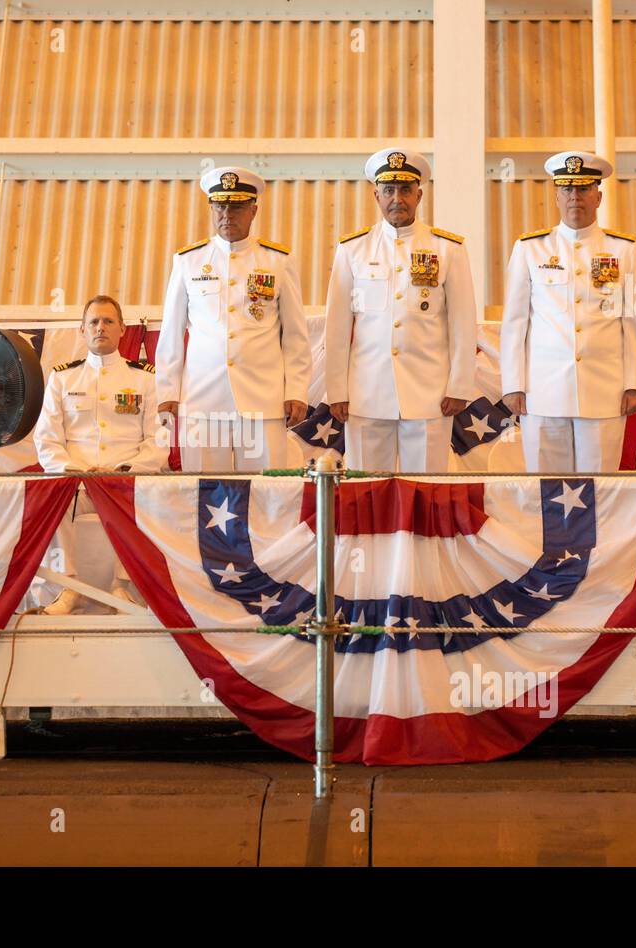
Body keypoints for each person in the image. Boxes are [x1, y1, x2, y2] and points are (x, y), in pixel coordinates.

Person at [324, 147, 477, 471]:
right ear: (376, 195)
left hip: (430, 395)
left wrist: (459, 386)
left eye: (406, 190)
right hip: (366, 393)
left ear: (419, 195)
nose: (398, 198)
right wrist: (337, 390)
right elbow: (337, 327)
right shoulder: (353, 249)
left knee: (424, 489)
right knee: (367, 488)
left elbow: (463, 325)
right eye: (389, 190)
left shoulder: (448, 249)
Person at [499, 150, 636, 473]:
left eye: (583, 189)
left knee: (599, 488)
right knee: (547, 488)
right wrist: (512, 383)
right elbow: (514, 323)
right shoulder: (530, 248)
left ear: (598, 196)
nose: (574, 197)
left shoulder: (625, 250)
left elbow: (635, 321)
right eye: (567, 189)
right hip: (542, 392)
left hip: (604, 392)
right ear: (556, 196)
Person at [156, 166, 310, 471]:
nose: (227, 214)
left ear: (253, 210)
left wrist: (296, 390)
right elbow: (171, 331)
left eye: (237, 207)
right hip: (202, 400)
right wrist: (167, 391)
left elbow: (295, 335)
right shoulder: (188, 261)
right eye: (220, 206)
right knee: (205, 489)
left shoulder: (278, 261)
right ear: (212, 209)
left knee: (266, 490)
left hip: (262, 400)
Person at [34, 295, 167, 614]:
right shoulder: (63, 378)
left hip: (125, 480)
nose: (100, 327)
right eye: (93, 322)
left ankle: (123, 588)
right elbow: (46, 439)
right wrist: (72, 471)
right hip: (76, 482)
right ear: (82, 330)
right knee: (52, 496)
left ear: (122, 329)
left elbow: (158, 440)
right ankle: (69, 587)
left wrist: (124, 471)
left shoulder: (146, 379)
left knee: (148, 497)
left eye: (108, 321)